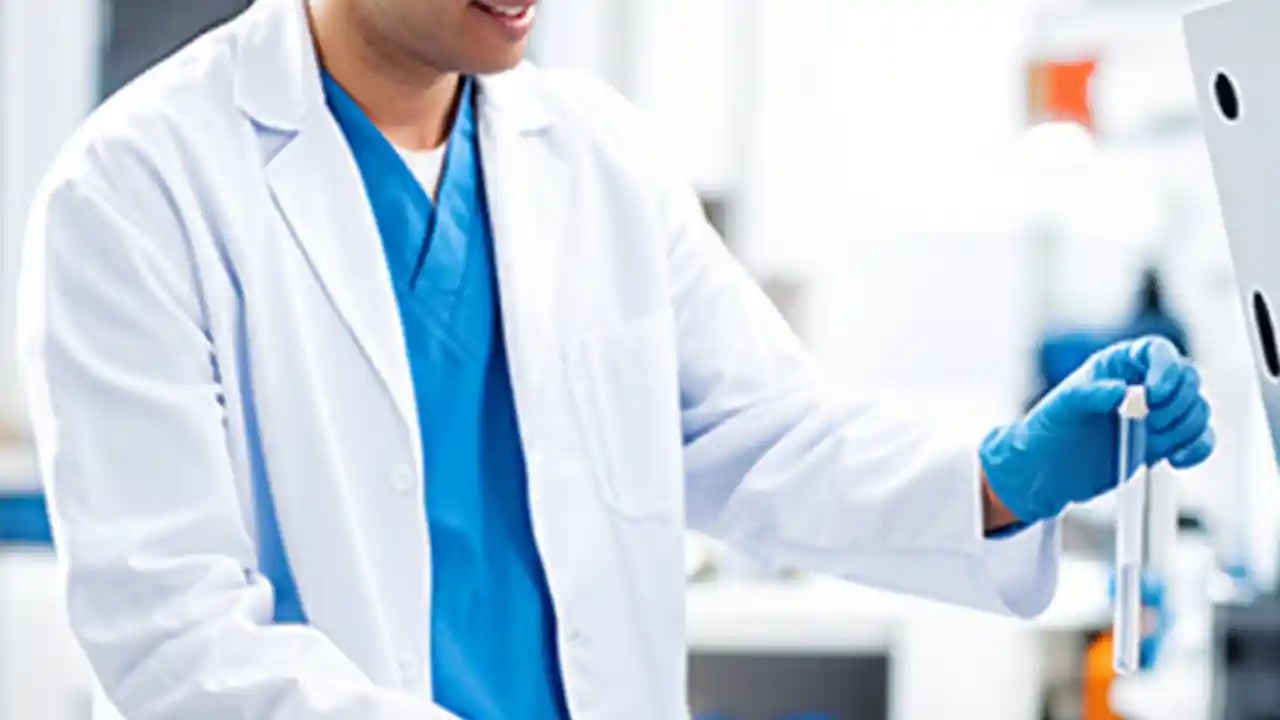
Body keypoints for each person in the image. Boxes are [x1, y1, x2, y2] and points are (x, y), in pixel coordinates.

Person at [16, 0, 1215, 718]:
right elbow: (171, 635)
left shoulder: (592, 157)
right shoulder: (136, 189)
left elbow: (761, 437)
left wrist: (1000, 474)